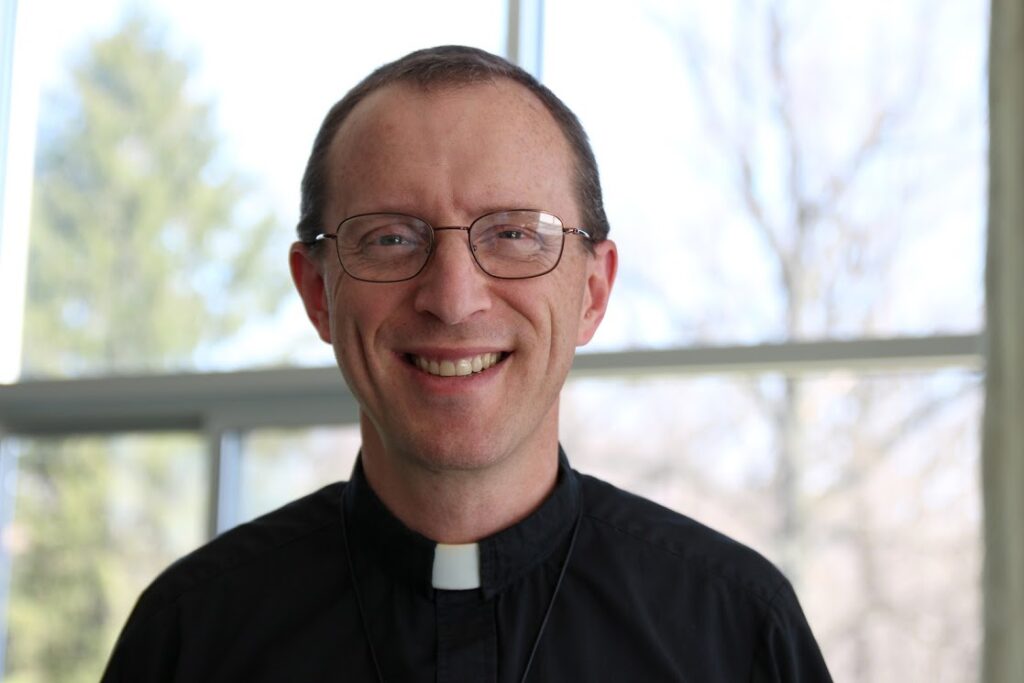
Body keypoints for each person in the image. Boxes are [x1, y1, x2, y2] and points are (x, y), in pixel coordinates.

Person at [102, 45, 832, 682]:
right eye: (391, 238)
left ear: (593, 290)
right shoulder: (188, 637)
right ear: (318, 292)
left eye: (514, 233)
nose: (453, 299)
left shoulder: (738, 633)